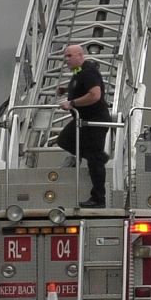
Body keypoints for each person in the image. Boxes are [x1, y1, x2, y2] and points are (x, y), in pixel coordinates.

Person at [54, 42, 114, 208]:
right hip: (82, 122)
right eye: (65, 56)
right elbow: (82, 87)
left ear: (80, 56)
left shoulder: (88, 71)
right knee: (64, 140)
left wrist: (72, 102)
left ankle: (98, 199)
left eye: (69, 56)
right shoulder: (78, 72)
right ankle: (97, 157)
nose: (66, 60)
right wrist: (66, 91)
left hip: (95, 121)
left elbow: (94, 95)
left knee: (94, 160)